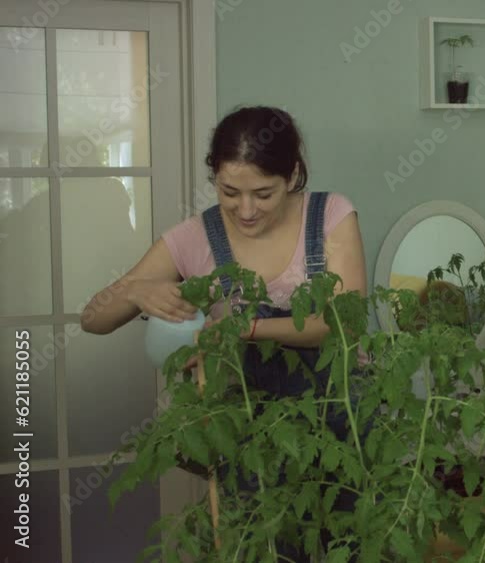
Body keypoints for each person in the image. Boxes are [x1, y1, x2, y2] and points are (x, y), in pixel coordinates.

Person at [80, 105, 366, 560]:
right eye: (230, 192)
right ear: (214, 176)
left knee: (349, 545)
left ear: (292, 175)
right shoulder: (196, 237)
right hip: (252, 435)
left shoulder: (330, 215)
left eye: (263, 194)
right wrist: (137, 290)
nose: (246, 210)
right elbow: (92, 320)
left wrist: (241, 327)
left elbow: (340, 323)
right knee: (265, 547)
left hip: (342, 428)